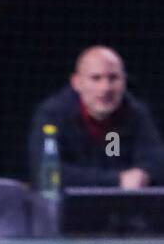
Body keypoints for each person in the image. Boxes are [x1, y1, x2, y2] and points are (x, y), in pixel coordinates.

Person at [28, 46, 164, 189]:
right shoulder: (53, 115)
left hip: (120, 206)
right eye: (96, 78)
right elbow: (46, 171)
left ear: (124, 81)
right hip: (68, 206)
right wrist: (116, 180)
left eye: (113, 78)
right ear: (77, 83)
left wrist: (143, 174)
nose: (105, 88)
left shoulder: (135, 113)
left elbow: (156, 163)